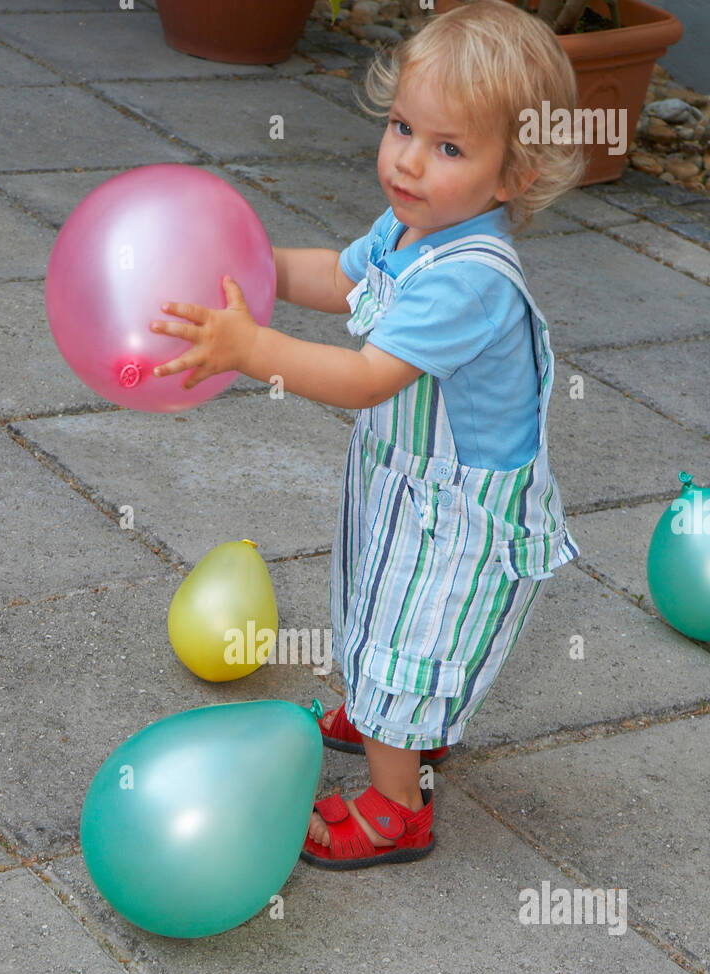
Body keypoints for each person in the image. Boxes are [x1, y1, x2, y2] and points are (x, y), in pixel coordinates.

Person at [150, 0, 585, 869]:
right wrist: (256, 267)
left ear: (513, 177)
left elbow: (363, 377)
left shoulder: (470, 281)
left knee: (408, 640)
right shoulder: (412, 229)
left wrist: (252, 349)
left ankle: (398, 807)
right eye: (402, 128)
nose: (410, 162)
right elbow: (339, 275)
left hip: (462, 521)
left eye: (449, 147)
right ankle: (393, 719)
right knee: (373, 607)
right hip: (406, 484)